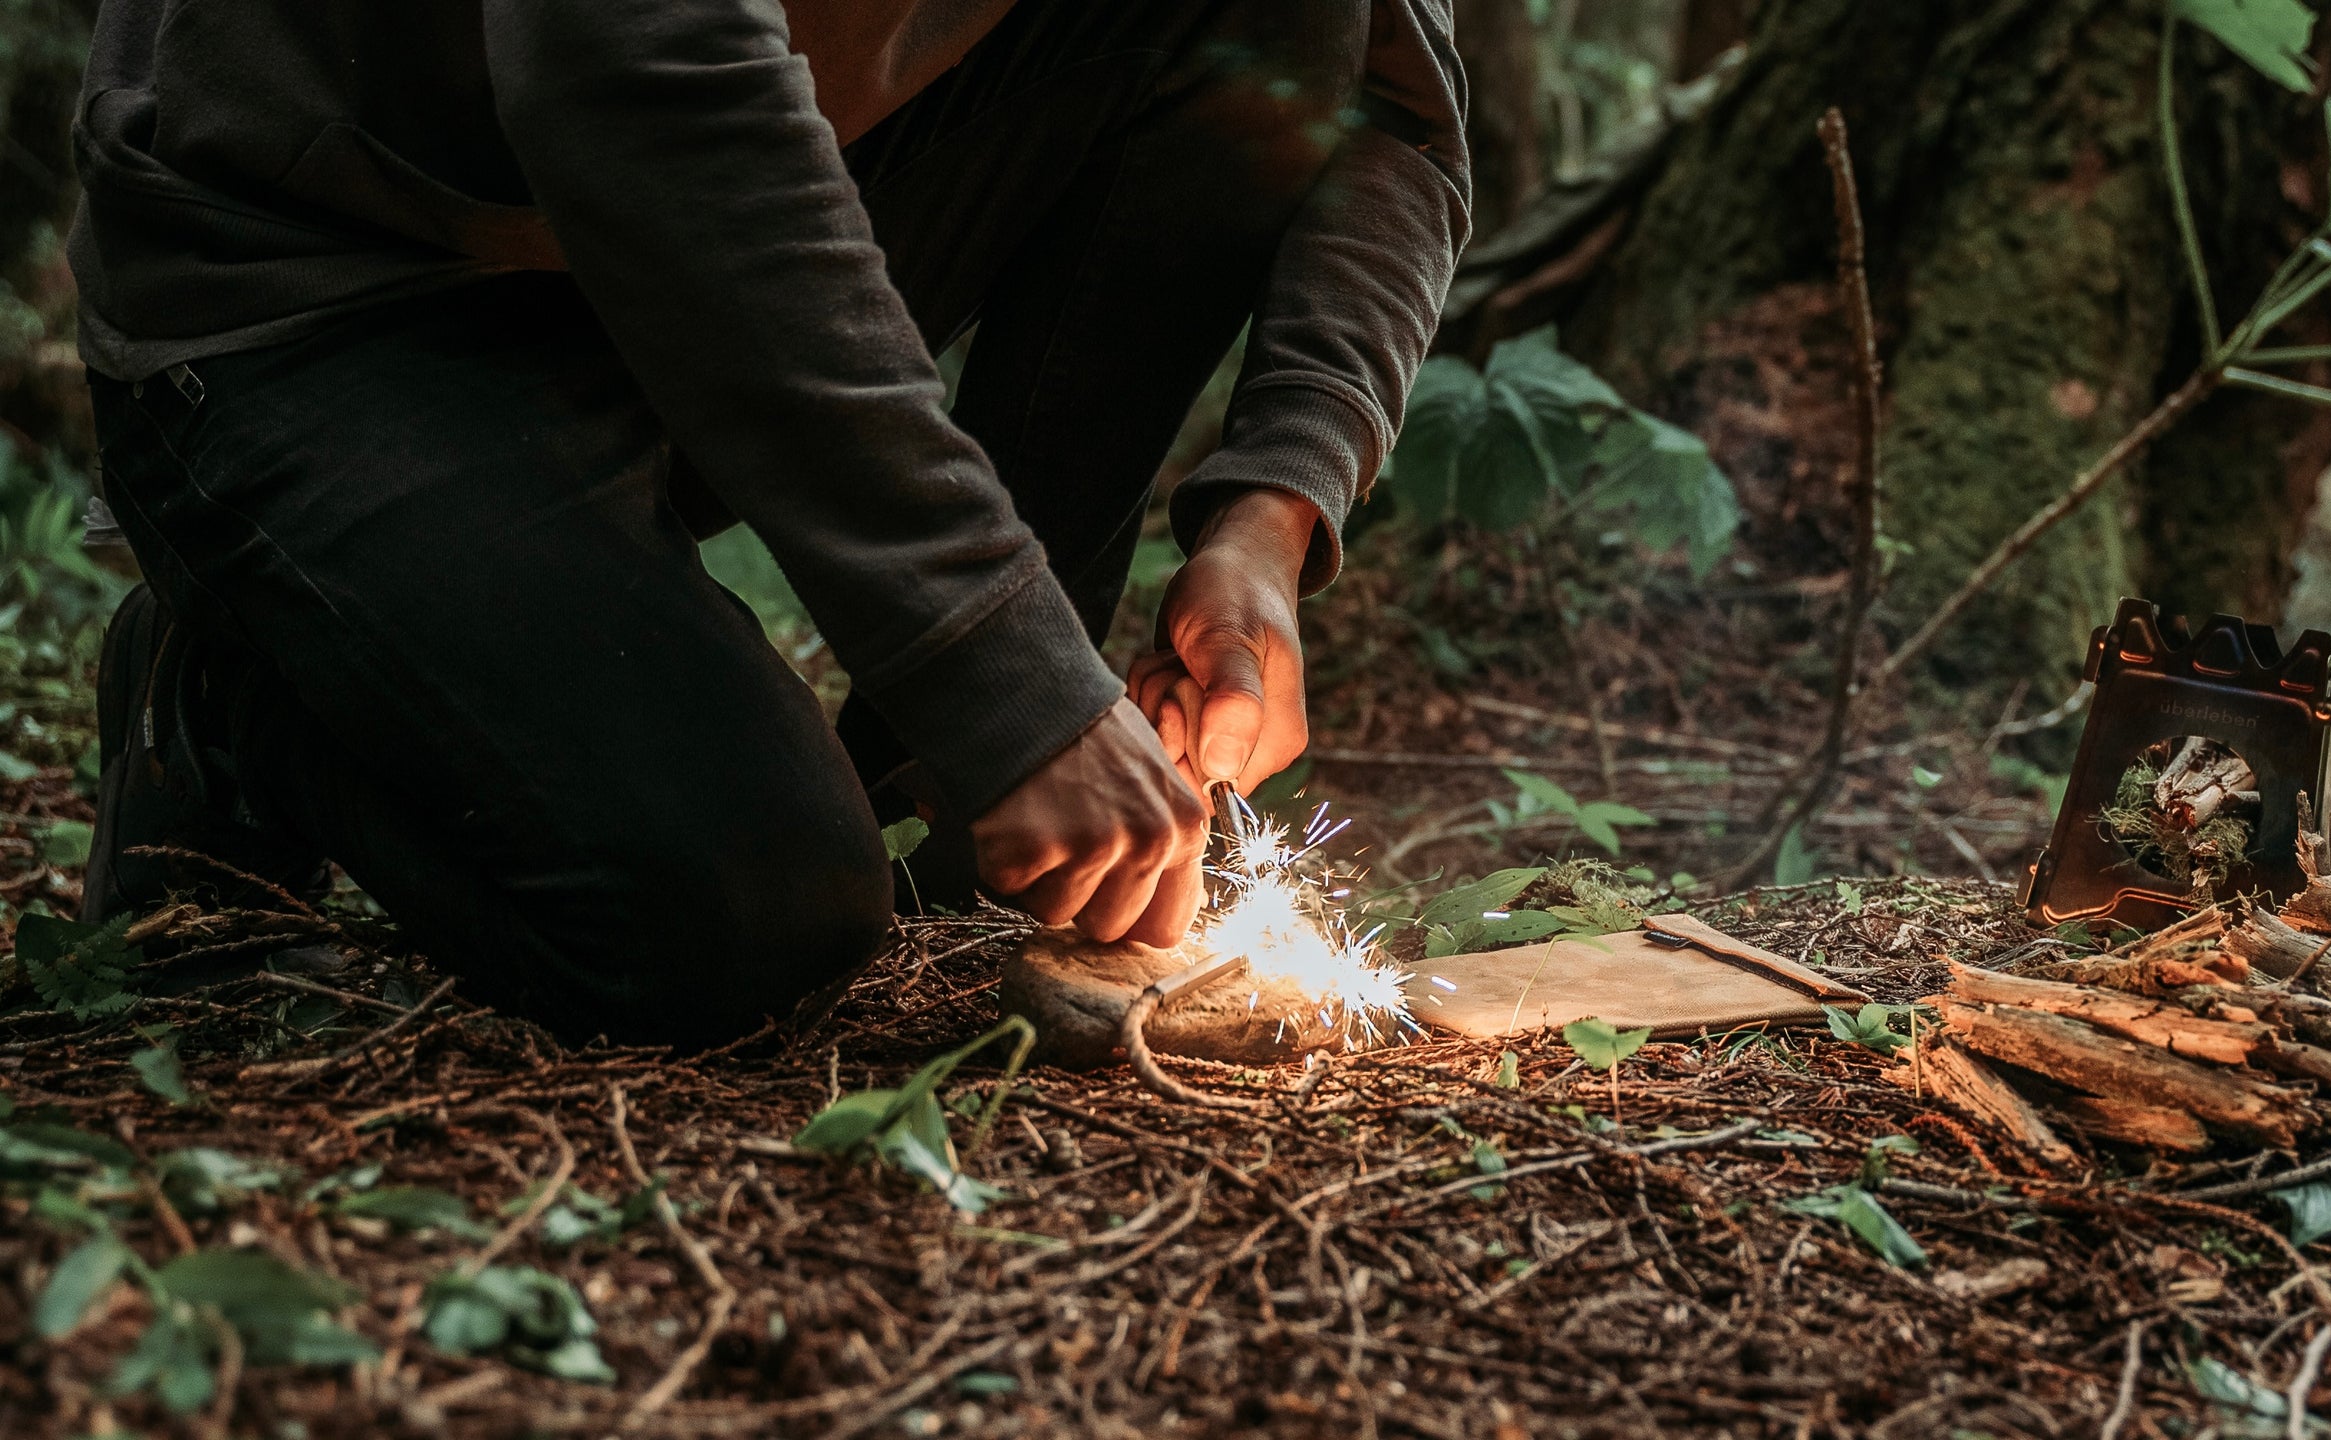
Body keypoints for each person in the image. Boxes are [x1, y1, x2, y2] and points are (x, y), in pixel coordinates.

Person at [65, 0, 1469, 1045]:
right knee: (739, 922)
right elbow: (632, 62)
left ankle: (941, 797)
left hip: (707, 230)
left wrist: (1272, 523)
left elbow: (1391, 99)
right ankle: (237, 691)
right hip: (325, 278)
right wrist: (999, 663)